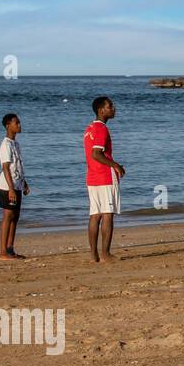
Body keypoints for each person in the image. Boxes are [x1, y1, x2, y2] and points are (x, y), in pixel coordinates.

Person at [84, 96, 125, 263]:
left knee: (95, 215)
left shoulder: (89, 128)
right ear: (101, 110)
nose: (113, 109)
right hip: (104, 176)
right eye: (110, 106)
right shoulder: (101, 129)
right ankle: (106, 254)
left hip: (92, 176)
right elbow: (96, 153)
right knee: (107, 214)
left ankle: (94, 254)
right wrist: (115, 165)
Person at [0, 113, 30, 260]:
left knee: (15, 217)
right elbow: (5, 168)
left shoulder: (15, 143)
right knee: (8, 216)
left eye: (19, 123)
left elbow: (17, 166)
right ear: (8, 126)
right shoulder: (5, 144)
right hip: (6, 185)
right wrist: (11, 188)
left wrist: (24, 183)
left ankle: (10, 249)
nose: (19, 125)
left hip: (17, 184)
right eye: (16, 123)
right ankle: (3, 251)